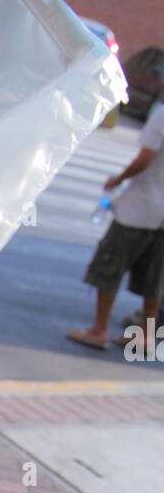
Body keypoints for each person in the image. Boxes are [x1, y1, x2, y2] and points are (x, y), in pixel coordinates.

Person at [67, 101, 164, 354]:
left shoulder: (162, 114)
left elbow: (144, 160)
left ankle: (99, 330)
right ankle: (145, 337)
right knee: (153, 275)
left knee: (109, 266)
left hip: (140, 207)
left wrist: (117, 179)